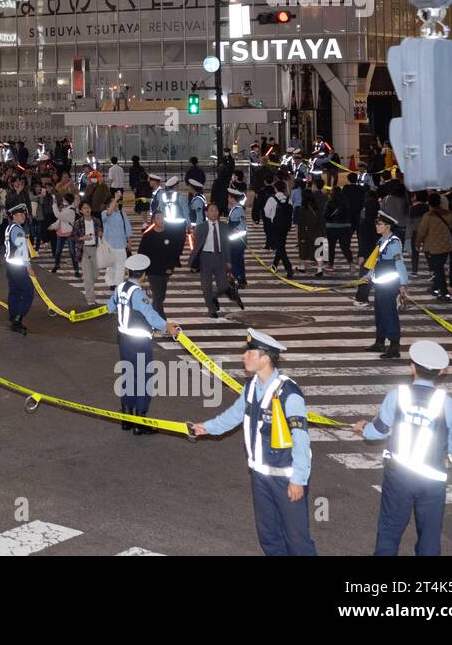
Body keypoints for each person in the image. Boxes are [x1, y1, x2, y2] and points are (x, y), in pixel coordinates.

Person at [192, 329, 318, 556]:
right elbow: (234, 415)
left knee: (297, 542)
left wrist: (298, 479)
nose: (244, 357)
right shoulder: (251, 388)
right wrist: (206, 428)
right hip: (260, 477)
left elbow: (301, 439)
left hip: (286, 478)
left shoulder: (288, 393)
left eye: (250, 353)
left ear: (265, 358)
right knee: (269, 536)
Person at [353, 340, 452, 555]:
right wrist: (448, 452)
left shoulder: (397, 395)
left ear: (412, 368)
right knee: (430, 534)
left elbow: (378, 430)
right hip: (432, 477)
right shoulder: (449, 404)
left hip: (399, 475)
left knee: (389, 530)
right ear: (442, 371)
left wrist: (364, 428)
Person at [107, 255, 180, 433]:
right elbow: (151, 316)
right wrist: (167, 326)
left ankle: (126, 416)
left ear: (128, 271)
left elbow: (109, 307)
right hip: (139, 342)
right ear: (143, 275)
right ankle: (140, 422)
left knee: (128, 375)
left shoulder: (120, 288)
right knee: (143, 379)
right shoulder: (138, 294)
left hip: (123, 340)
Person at [189, 201, 241, 319]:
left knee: (223, 286)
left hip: (220, 258)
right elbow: (197, 246)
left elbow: (227, 244)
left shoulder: (223, 226)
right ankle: (212, 309)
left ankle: (213, 296)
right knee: (206, 286)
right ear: (206, 213)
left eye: (216, 210)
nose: (214, 213)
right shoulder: (201, 227)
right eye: (211, 210)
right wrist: (193, 262)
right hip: (205, 258)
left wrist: (228, 260)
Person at [3, 203, 35, 335]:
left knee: (14, 292)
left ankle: (13, 316)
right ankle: (17, 319)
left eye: (24, 214)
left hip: (10, 265)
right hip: (18, 267)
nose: (24, 216)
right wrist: (28, 267)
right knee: (28, 291)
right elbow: (22, 249)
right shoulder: (18, 230)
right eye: (21, 214)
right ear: (14, 216)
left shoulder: (9, 228)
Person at [99, 192, 130, 289]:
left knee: (121, 266)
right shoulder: (104, 213)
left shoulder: (122, 214)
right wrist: (116, 198)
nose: (115, 203)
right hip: (109, 244)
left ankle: (118, 284)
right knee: (111, 266)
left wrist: (129, 241)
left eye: (116, 202)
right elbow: (108, 213)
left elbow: (127, 228)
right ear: (108, 204)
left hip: (121, 244)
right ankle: (111, 283)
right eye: (112, 202)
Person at [226, 190, 249, 287]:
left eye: (229, 197)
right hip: (235, 240)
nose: (227, 199)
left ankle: (237, 278)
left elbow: (243, 224)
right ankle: (241, 279)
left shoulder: (238, 210)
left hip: (238, 240)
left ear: (232, 198)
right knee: (238, 259)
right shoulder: (235, 209)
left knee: (235, 260)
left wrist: (235, 229)